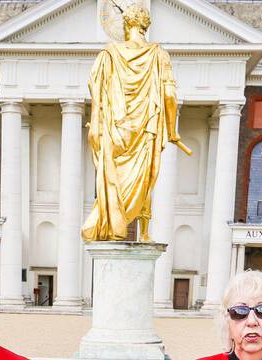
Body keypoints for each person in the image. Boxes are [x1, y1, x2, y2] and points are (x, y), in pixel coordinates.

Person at [82, 4, 190, 243]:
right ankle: (143, 232)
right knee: (146, 181)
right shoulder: (159, 55)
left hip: (115, 131)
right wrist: (172, 131)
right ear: (145, 25)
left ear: (126, 24)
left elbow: (96, 93)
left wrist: (97, 126)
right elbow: (170, 96)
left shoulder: (108, 55)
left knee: (113, 180)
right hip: (145, 131)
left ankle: (110, 223)